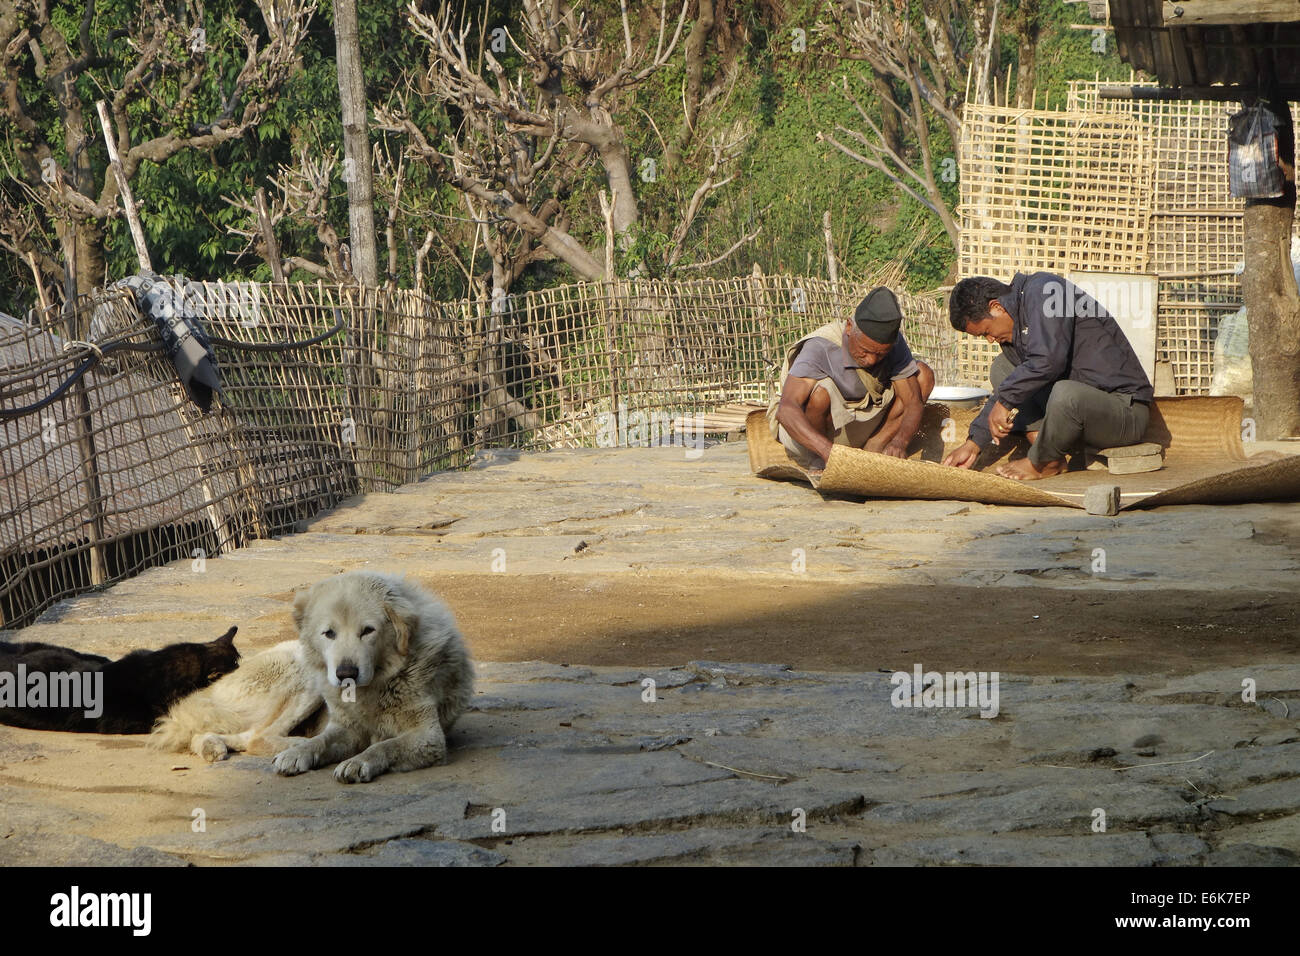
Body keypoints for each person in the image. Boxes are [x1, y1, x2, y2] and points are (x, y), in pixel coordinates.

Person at [941, 273, 1154, 480]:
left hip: (1124, 413)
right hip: (1081, 416)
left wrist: (1005, 401)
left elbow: (1049, 360)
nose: (990, 340)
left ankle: (1042, 461)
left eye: (986, 331)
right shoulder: (1018, 329)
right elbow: (1013, 382)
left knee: (1065, 393)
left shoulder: (1046, 290)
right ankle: (1050, 454)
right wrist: (974, 443)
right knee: (1002, 368)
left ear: (997, 307)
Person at [770, 286, 934, 473]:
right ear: (849, 327)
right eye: (865, 350)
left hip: (860, 424)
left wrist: (900, 442)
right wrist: (827, 452)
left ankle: (874, 448)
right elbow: (786, 410)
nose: (871, 360)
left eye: (881, 354)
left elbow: (913, 402)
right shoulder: (820, 347)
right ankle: (818, 460)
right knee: (820, 393)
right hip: (816, 437)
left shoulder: (894, 344)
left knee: (923, 375)